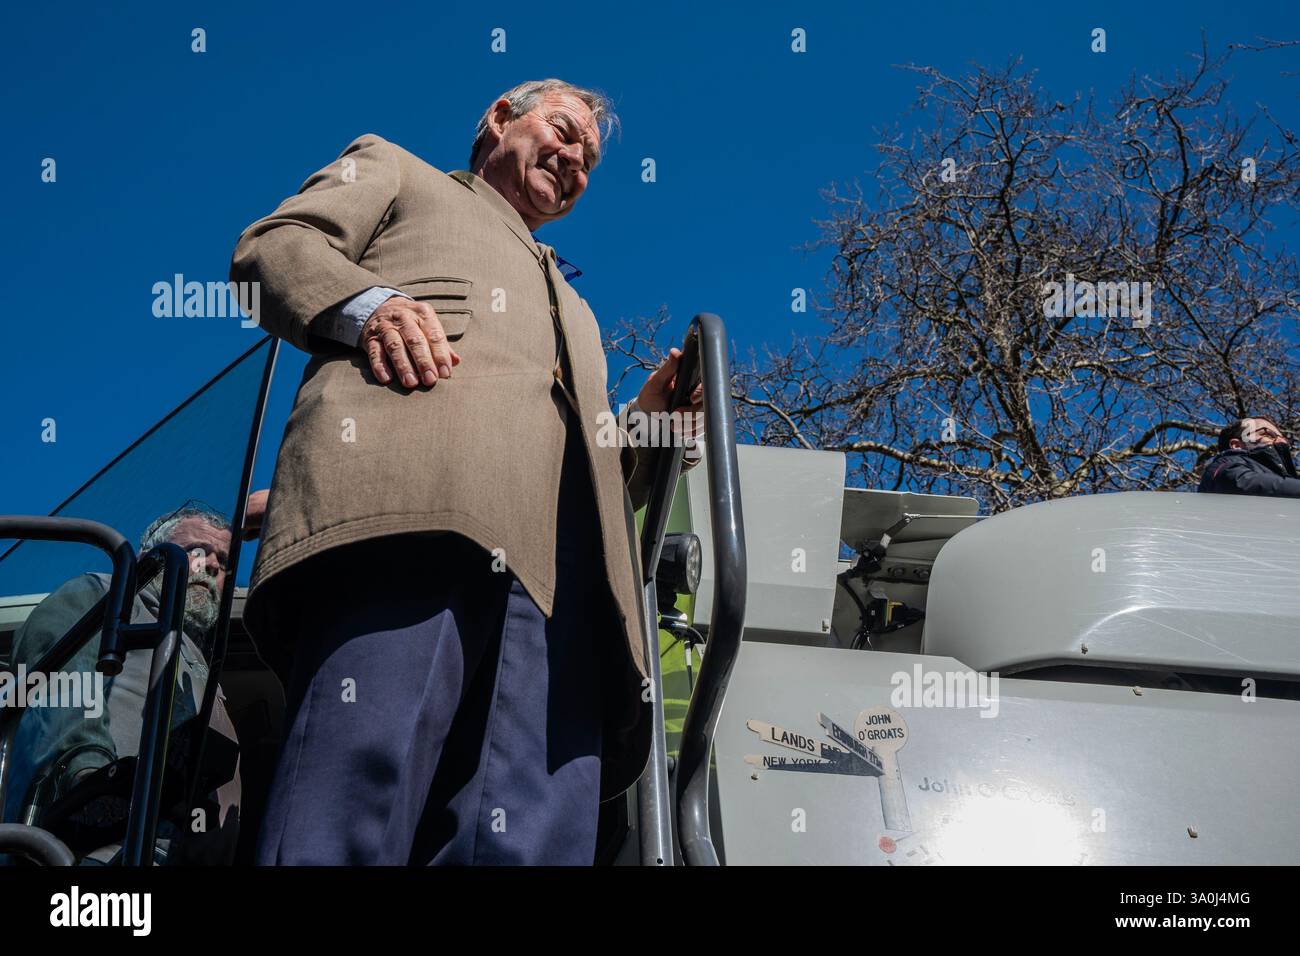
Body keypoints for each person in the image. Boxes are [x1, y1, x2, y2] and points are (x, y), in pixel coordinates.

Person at [230, 78, 701, 865]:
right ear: (499, 117)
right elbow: (272, 249)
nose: (576, 158)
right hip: (413, 520)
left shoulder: (578, 314)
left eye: (588, 158)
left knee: (526, 845)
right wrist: (369, 306)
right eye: (563, 130)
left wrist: (648, 423)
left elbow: (592, 473)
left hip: (566, 599)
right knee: (355, 800)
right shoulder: (396, 170)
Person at [3, 502, 244, 864]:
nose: (210, 565)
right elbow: (60, 684)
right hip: (91, 849)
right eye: (197, 551)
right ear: (149, 555)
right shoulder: (105, 596)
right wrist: (85, 775)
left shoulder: (208, 673)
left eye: (223, 562)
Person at [1198, 416, 1300, 498]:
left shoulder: (1287, 478)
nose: (1281, 441)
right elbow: (1239, 483)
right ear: (1237, 445)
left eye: (1282, 438)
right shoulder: (1224, 466)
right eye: (1268, 434)